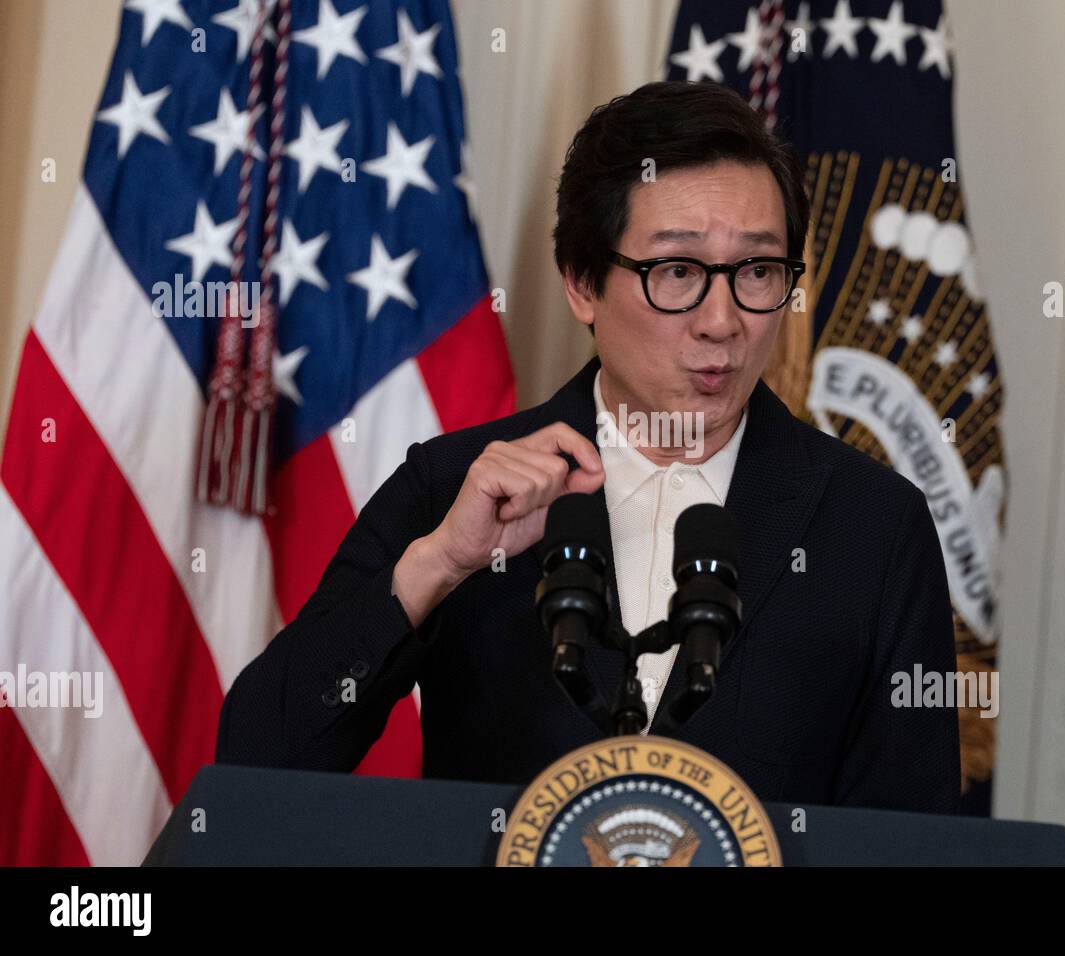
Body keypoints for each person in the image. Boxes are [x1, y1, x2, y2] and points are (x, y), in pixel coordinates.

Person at [216, 80, 960, 813]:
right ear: (581, 283)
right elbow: (259, 754)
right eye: (678, 272)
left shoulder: (874, 527)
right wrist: (438, 564)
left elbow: (911, 839)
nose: (723, 320)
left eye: (758, 271)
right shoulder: (454, 486)